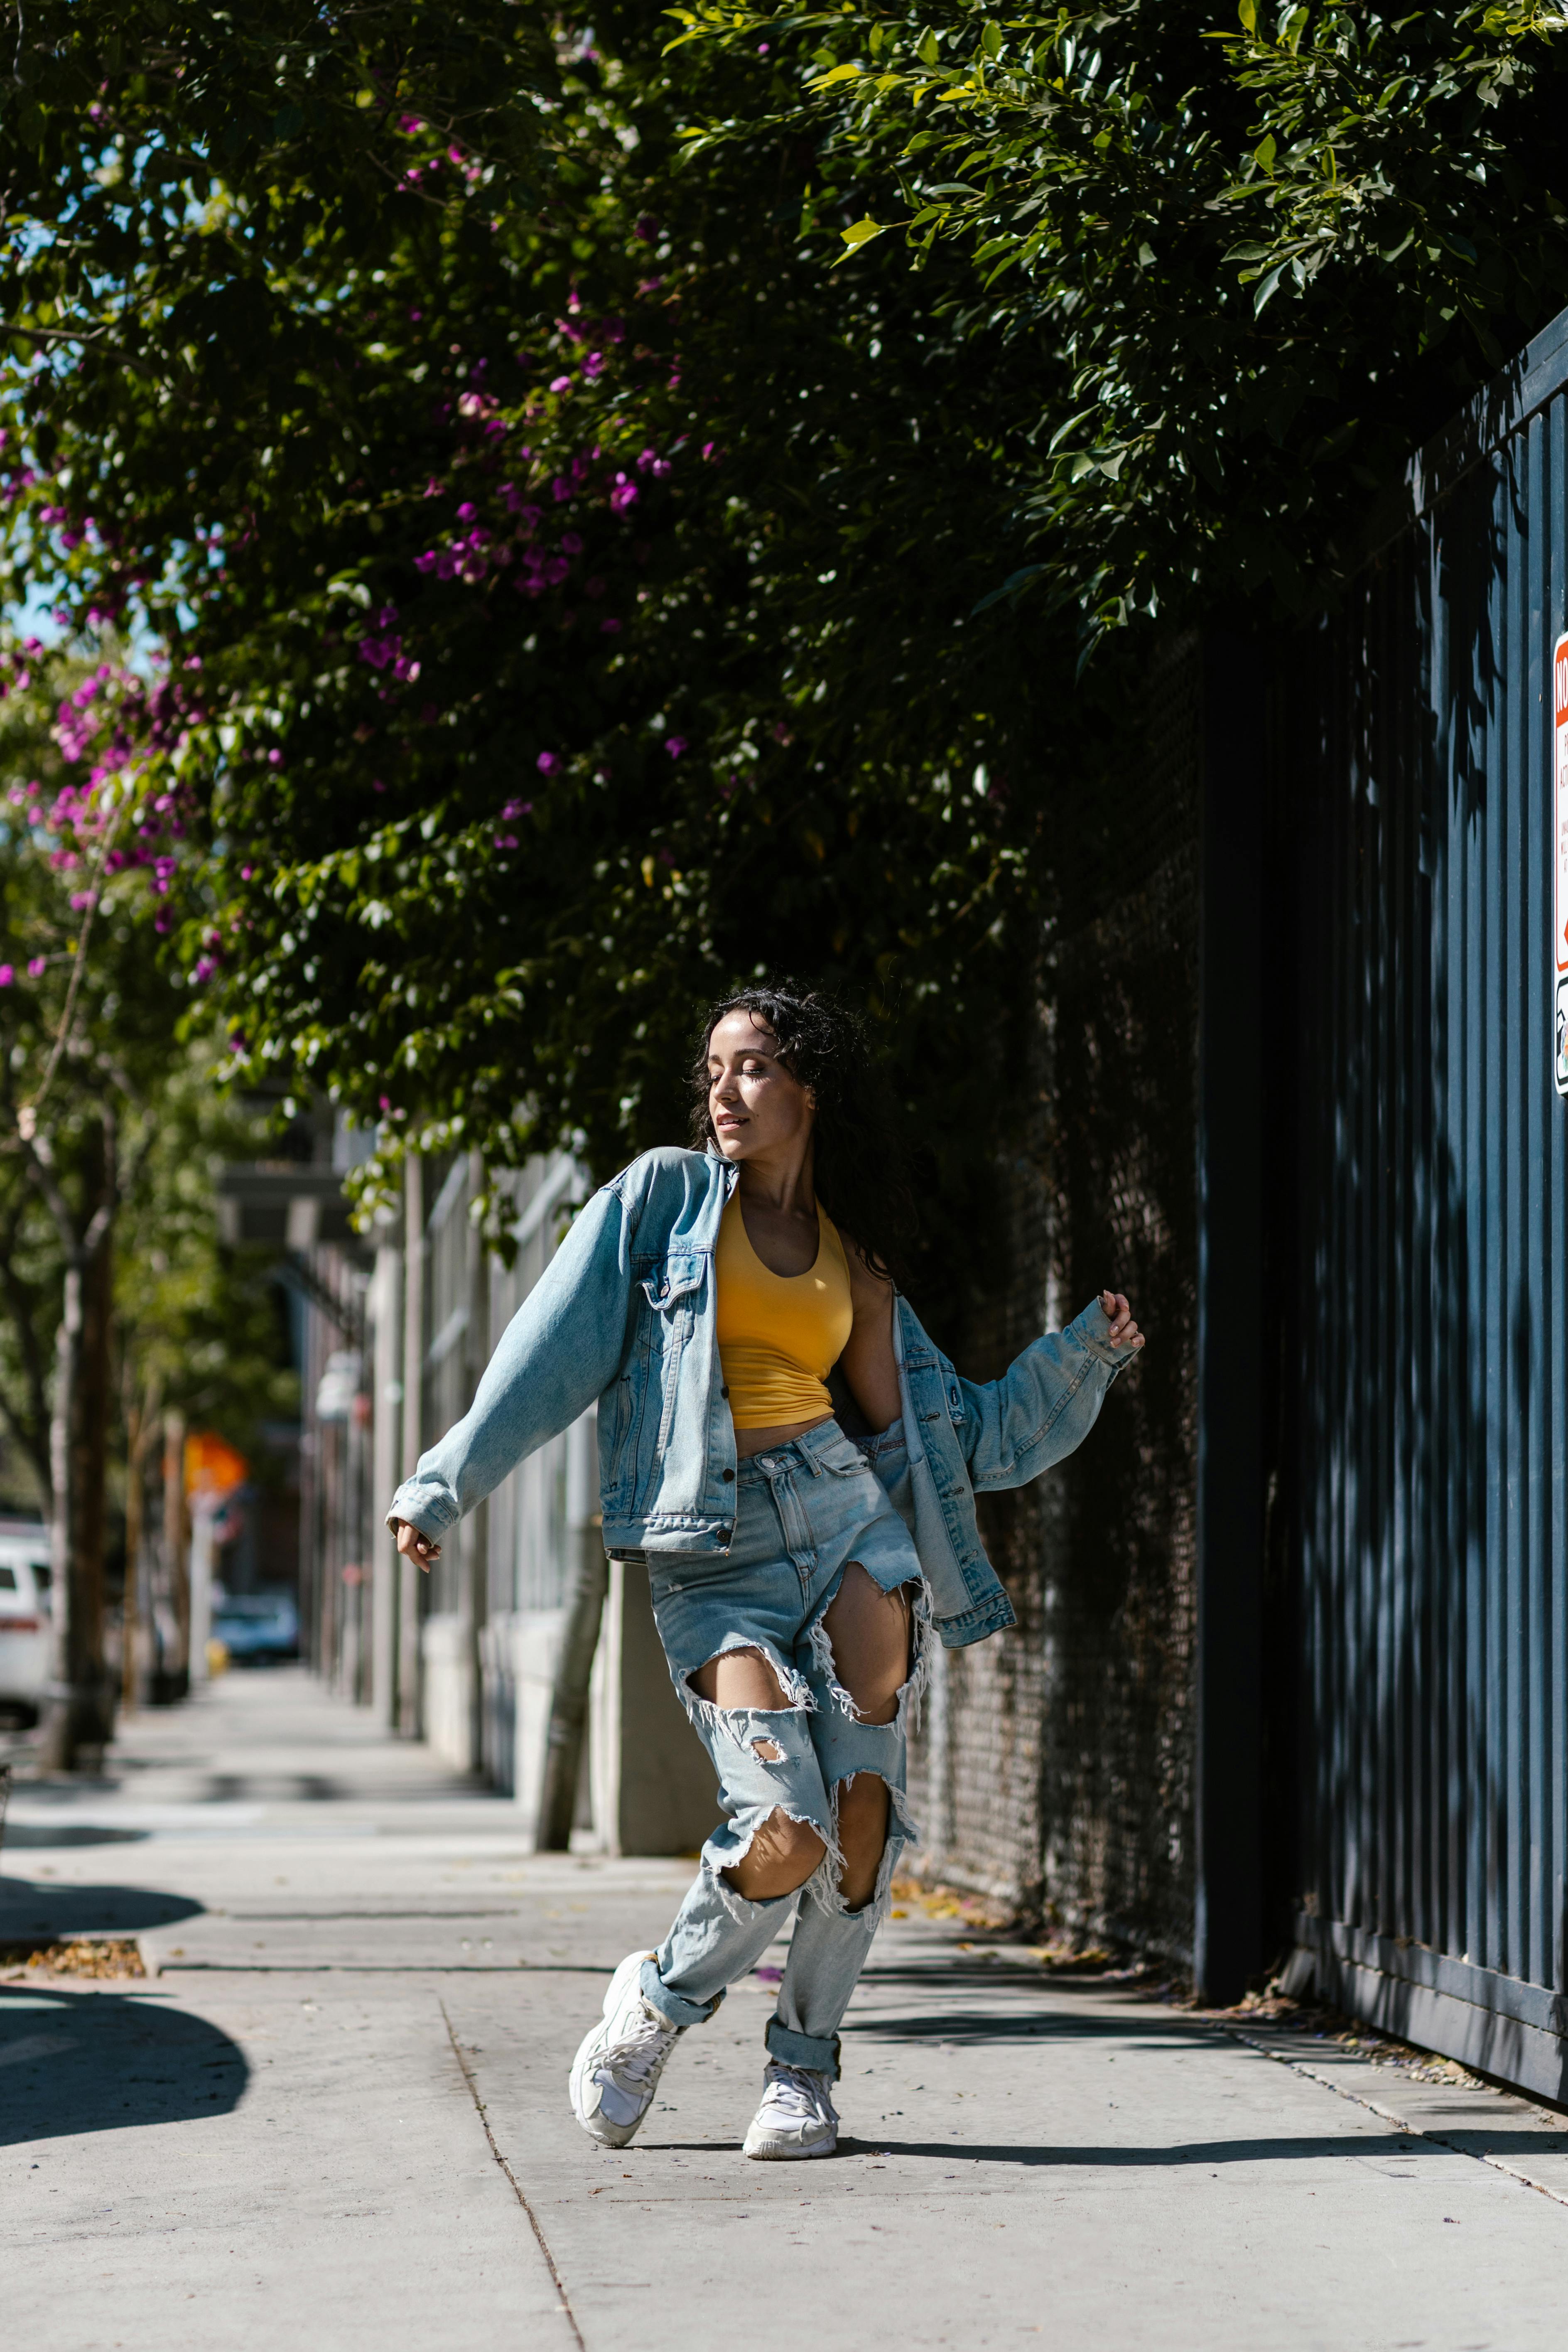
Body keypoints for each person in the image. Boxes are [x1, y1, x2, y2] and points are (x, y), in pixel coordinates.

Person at [387, 982, 1143, 2161]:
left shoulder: (858, 1262)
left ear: (810, 1086)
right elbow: (551, 1350)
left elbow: (966, 1438)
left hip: (845, 1522)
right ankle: (657, 2002)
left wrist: (1081, 1356)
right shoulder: (662, 1203)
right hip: (713, 1547)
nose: (723, 1091)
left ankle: (804, 2073)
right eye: (714, 1070)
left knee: (862, 1816)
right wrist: (444, 1482)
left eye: (750, 1067)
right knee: (782, 1825)